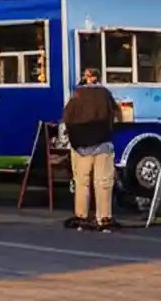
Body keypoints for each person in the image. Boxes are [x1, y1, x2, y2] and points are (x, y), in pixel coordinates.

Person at [62, 67, 120, 231]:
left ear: (86, 78)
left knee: (82, 182)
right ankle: (104, 218)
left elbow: (67, 116)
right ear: (97, 78)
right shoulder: (105, 94)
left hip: (81, 146)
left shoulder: (77, 95)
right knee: (103, 182)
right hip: (102, 144)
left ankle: (82, 217)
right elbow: (115, 114)